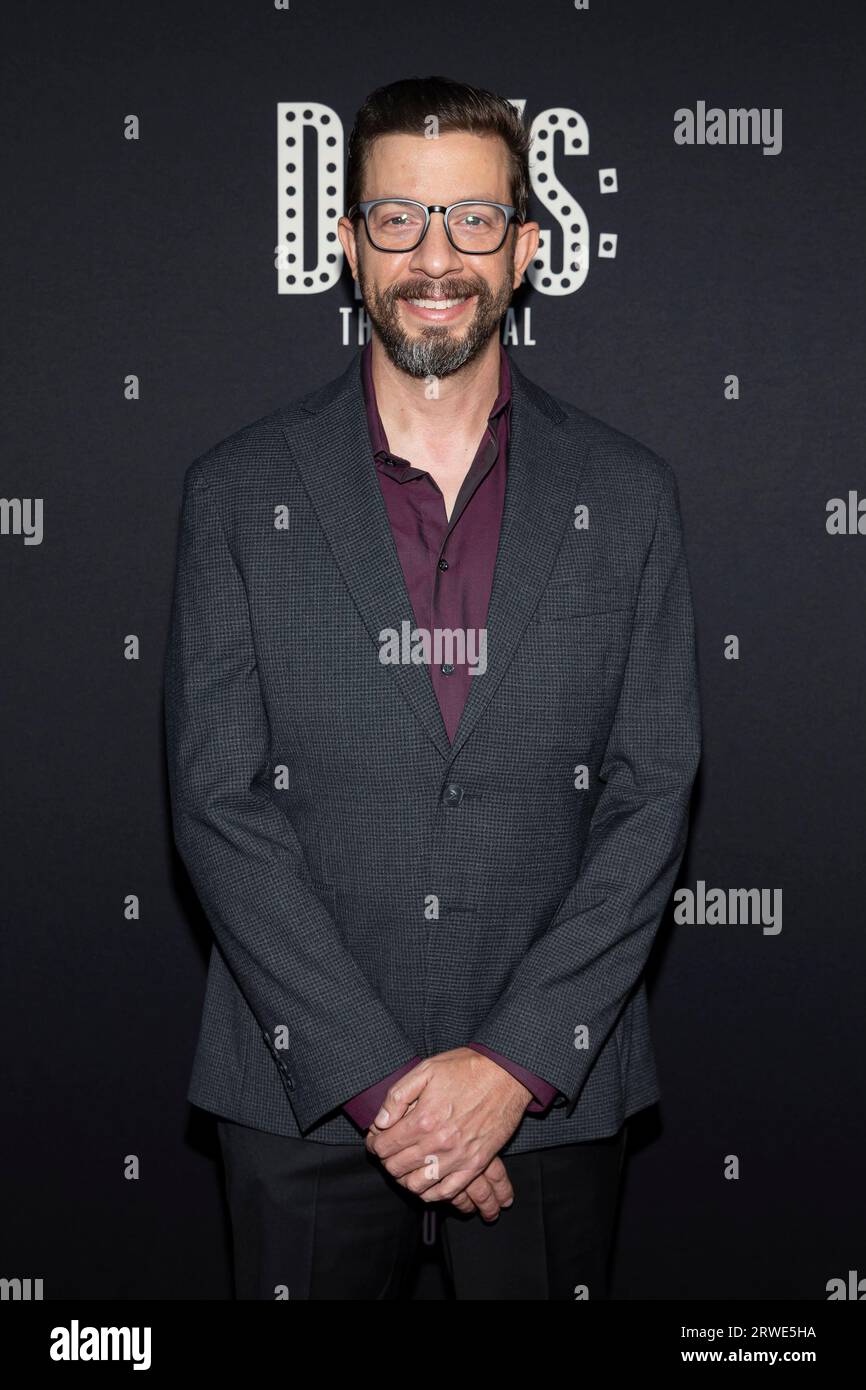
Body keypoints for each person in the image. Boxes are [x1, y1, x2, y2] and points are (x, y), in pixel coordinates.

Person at [164, 74, 702, 1300]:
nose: (434, 258)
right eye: (398, 220)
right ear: (348, 243)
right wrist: (388, 1093)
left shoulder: (625, 496)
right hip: (295, 1101)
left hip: (549, 1105)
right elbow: (217, 806)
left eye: (470, 220)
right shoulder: (238, 492)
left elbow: (650, 794)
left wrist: (505, 1070)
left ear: (523, 248)